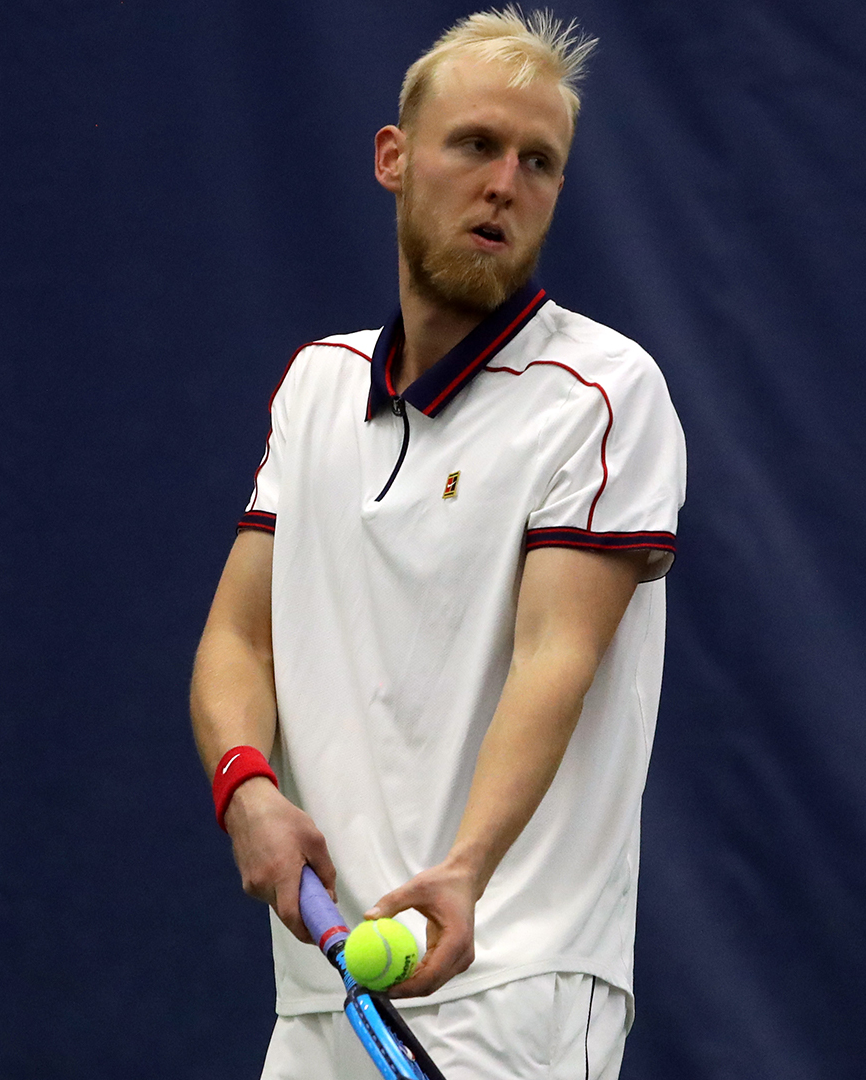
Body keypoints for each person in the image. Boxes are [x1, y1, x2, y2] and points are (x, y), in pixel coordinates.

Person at [190, 9, 686, 1077]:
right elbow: (240, 641)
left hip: (513, 984)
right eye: (476, 145)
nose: (506, 183)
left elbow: (558, 658)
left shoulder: (603, 395)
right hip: (325, 991)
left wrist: (462, 873)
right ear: (395, 158)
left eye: (539, 161)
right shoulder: (317, 386)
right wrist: (249, 789)